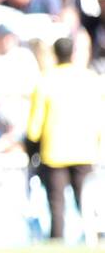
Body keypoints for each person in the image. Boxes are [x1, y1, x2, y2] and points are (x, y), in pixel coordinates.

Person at [26, 37, 103, 241]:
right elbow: (98, 115)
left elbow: (35, 125)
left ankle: (57, 244)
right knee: (87, 203)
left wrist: (32, 147)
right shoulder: (89, 78)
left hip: (54, 151)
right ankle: (95, 242)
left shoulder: (45, 80)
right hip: (85, 150)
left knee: (56, 205)